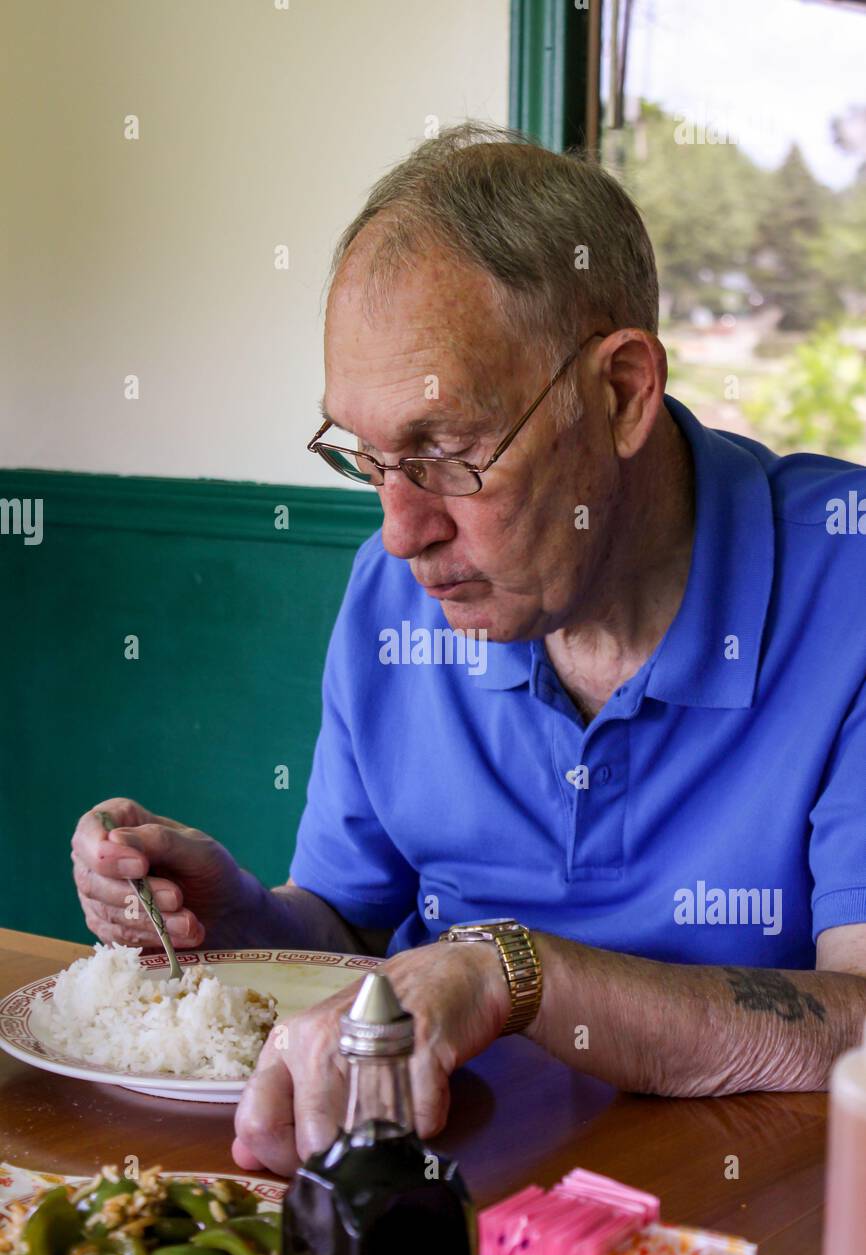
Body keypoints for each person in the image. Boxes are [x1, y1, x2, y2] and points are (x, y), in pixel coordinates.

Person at [72, 124, 866, 1177]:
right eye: (368, 458)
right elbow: (354, 936)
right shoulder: (392, 593)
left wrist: (508, 973)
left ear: (621, 391)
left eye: (445, 454)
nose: (402, 530)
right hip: (448, 1205)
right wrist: (243, 917)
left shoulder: (844, 580)